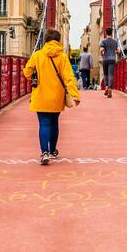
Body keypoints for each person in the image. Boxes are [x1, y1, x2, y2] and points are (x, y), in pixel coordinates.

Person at [22, 29, 81, 165]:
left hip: (40, 95)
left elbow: (27, 73)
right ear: (58, 41)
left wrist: (34, 73)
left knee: (44, 123)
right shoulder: (62, 56)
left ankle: (44, 153)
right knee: (54, 122)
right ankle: (53, 150)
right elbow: (69, 78)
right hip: (56, 96)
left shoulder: (37, 55)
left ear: (46, 40)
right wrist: (75, 95)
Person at [100, 27, 120, 98]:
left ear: (106, 32)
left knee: (105, 74)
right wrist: (114, 52)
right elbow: (118, 51)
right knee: (111, 74)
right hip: (112, 59)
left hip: (105, 59)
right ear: (111, 33)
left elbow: (101, 50)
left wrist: (102, 54)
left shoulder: (103, 41)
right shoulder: (115, 41)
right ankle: (110, 89)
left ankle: (106, 87)